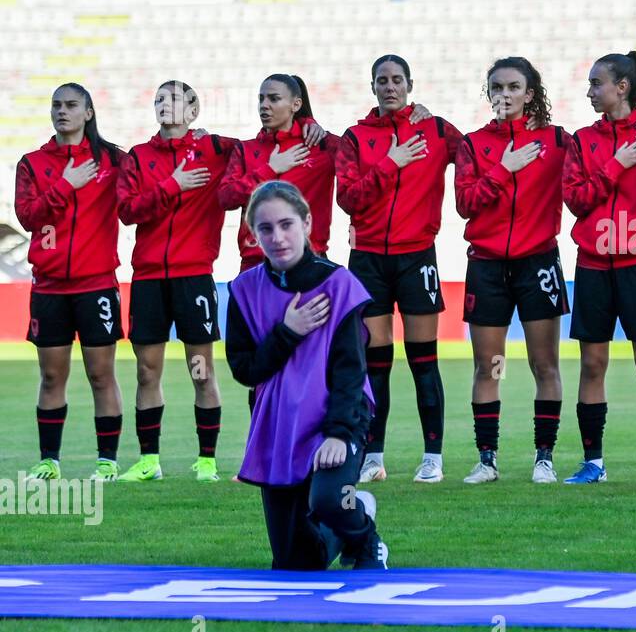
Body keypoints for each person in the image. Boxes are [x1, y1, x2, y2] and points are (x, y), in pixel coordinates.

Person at [226, 181, 387, 570]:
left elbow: (351, 372)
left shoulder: (339, 284)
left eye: (286, 224)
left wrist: (338, 434)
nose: (277, 237)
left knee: (330, 499)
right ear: (254, 234)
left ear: (307, 223)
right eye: (266, 229)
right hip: (278, 429)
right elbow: (246, 370)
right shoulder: (244, 290)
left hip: (335, 421)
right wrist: (287, 332)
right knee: (294, 563)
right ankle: (341, 523)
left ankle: (365, 537)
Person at [336, 55, 462, 484]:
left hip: (416, 257)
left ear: (410, 84)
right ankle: (374, 455)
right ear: (372, 87)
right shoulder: (355, 137)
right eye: (382, 81)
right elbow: (349, 199)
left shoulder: (437, 130)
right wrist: (391, 161)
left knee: (424, 361)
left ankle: (433, 457)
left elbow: (480, 152)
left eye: (397, 80)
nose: (390, 87)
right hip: (368, 259)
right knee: (375, 363)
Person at [455, 56, 573, 484]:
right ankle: (487, 459)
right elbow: (466, 205)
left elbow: (599, 162)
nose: (504, 95)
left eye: (513, 87)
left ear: (530, 93)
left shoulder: (559, 141)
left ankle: (545, 457)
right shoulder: (473, 144)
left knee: (544, 366)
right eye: (497, 88)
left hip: (537, 263)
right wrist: (504, 169)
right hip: (486, 267)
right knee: (491, 366)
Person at [562, 50, 636, 484]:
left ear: (621, 87)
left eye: (596, 84)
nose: (590, 92)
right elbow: (576, 200)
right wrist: (616, 164)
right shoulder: (581, 140)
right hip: (592, 265)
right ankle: (594, 463)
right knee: (592, 365)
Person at [116, 81, 232, 481]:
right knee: (147, 372)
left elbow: (261, 147)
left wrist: (311, 127)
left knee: (201, 370)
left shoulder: (217, 149)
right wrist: (173, 186)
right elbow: (127, 211)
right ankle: (150, 461)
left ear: (195, 110)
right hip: (148, 278)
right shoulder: (139, 157)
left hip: (194, 277)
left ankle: (207, 461)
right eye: (160, 100)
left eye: (176, 99)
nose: (166, 106)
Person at [16, 84, 125, 481]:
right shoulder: (31, 163)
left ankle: (108, 462)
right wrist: (67, 183)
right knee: (51, 376)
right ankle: (49, 461)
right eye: (57, 105)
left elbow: (143, 186)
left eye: (71, 105)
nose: (63, 112)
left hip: (96, 285)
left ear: (89, 113)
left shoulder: (114, 160)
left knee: (101, 374)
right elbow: (28, 217)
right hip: (49, 288)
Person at [218, 74, 334, 275]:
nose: (264, 105)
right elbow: (226, 198)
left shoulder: (324, 146)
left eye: (273, 99)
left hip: (309, 261)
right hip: (255, 264)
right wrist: (270, 170)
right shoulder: (245, 150)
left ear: (296, 105)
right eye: (260, 99)